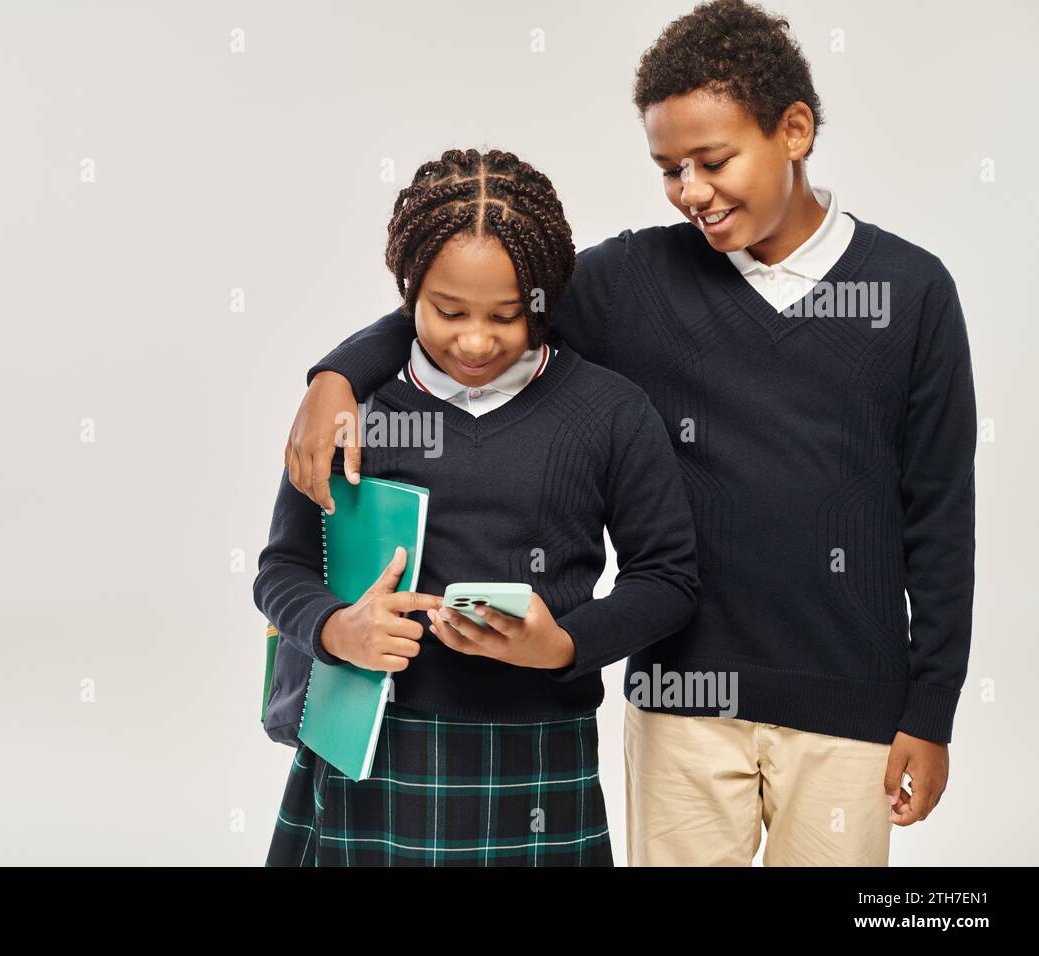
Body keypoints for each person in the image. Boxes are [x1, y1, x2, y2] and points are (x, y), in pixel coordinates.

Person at [281, 0, 977, 866]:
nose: (692, 191)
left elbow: (941, 514)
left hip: (850, 706)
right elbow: (476, 308)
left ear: (794, 130)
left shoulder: (910, 292)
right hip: (679, 706)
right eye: (668, 168)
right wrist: (336, 376)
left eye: (713, 160)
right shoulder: (633, 278)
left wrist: (930, 707)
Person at [255, 147, 699, 866]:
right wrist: (338, 629)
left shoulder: (612, 412)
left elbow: (668, 579)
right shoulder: (355, 409)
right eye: (448, 310)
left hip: (537, 753)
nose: (474, 339)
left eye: (505, 315)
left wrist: (564, 645)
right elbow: (281, 569)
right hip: (372, 742)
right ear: (408, 294)